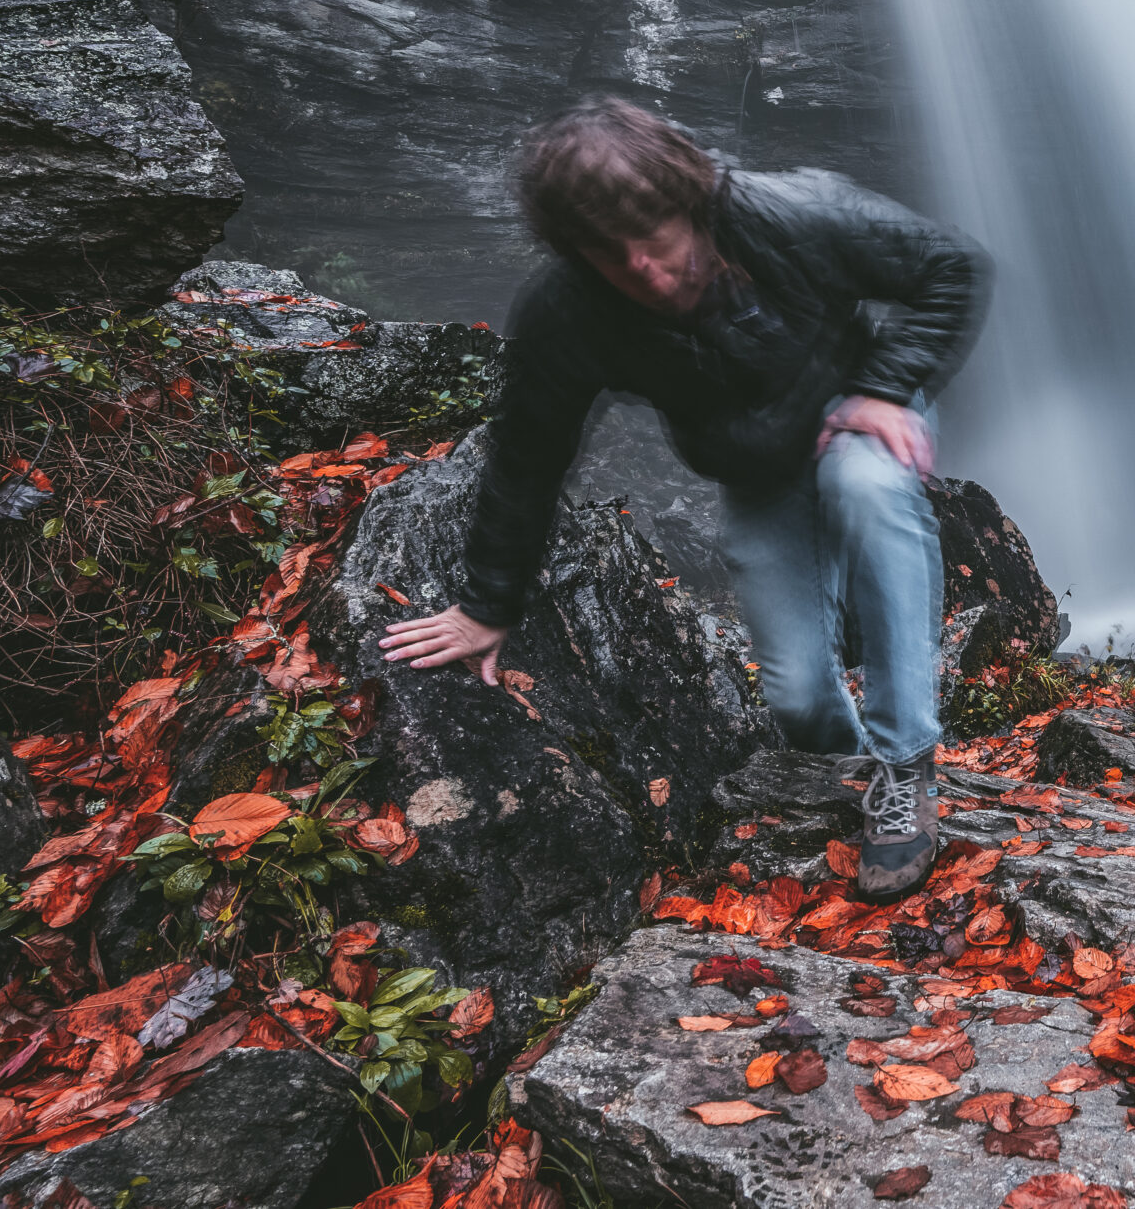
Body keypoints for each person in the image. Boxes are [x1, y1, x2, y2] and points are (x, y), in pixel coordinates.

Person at [376, 97, 990, 901]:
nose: (648, 273)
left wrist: (881, 388)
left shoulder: (791, 215)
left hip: (858, 421)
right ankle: (856, 771)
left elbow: (953, 268)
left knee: (865, 485)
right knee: (800, 695)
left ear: (691, 201)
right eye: (612, 254)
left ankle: (906, 765)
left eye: (659, 239)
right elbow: (529, 456)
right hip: (761, 475)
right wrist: (489, 604)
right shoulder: (568, 311)